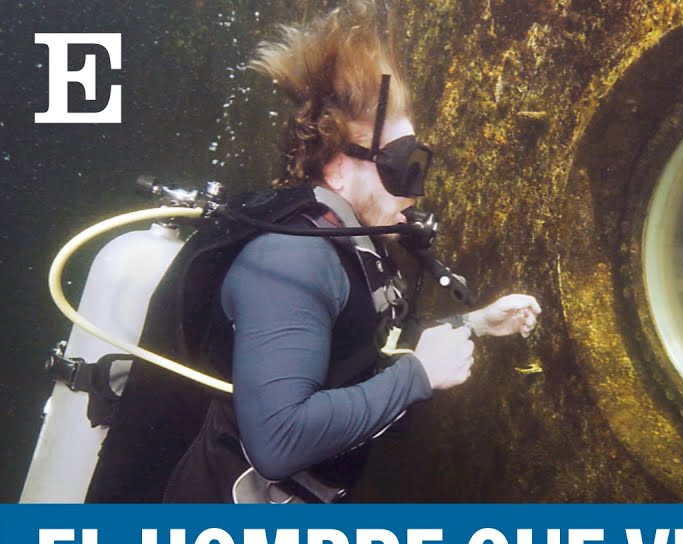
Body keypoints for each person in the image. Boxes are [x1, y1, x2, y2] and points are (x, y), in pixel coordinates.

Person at [87, 2, 540, 503]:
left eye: (417, 164)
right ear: (338, 168)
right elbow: (277, 443)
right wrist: (418, 376)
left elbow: (359, 349)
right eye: (399, 165)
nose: (414, 190)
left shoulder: (350, 243)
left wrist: (475, 324)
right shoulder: (292, 258)